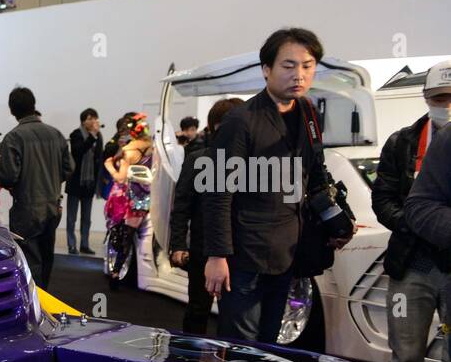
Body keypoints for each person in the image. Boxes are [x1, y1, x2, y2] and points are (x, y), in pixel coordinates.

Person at [203, 27, 352, 342]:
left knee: (270, 344)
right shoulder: (241, 121)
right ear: (266, 69)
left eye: (307, 66)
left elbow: (315, 172)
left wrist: (336, 218)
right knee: (241, 347)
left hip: (287, 253)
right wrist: (216, 256)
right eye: (288, 65)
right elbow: (217, 192)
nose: (299, 74)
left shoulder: (308, 112)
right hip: (244, 256)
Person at [382, 60, 451, 362]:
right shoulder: (402, 142)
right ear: (426, 99)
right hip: (411, 263)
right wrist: (415, 223)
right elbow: (384, 198)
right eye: (440, 98)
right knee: (405, 357)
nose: (446, 105)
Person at [168, 98, 242, 334]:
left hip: (241, 252)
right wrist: (178, 244)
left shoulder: (252, 162)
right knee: (198, 310)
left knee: (235, 319)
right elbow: (182, 205)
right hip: (203, 248)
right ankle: (188, 354)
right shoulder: (198, 159)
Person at [0, 87, 73, 289]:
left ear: (12, 110)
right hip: (53, 205)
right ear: (33, 104)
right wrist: (51, 181)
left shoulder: (14, 137)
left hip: (27, 208)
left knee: (30, 261)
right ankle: (46, 296)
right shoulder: (56, 134)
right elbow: (69, 168)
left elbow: (9, 176)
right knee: (47, 256)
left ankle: (35, 302)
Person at [102, 113, 154, 285]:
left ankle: (116, 272)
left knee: (125, 236)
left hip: (128, 198)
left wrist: (109, 166)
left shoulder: (128, 150)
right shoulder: (152, 147)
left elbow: (120, 178)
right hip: (147, 196)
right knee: (138, 237)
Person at [65, 108, 103, 256]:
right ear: (83, 121)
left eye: (94, 118)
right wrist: (92, 136)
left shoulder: (98, 136)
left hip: (89, 183)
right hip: (75, 182)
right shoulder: (76, 134)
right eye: (89, 118)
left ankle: (85, 244)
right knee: (71, 217)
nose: (93, 121)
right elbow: (78, 151)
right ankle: (71, 245)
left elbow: (98, 156)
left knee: (86, 218)